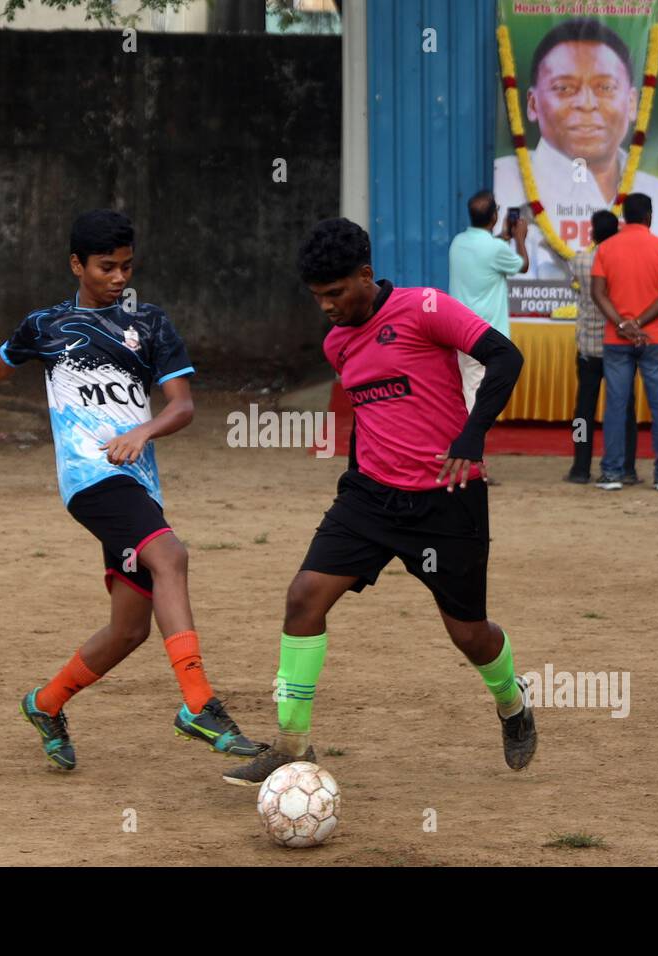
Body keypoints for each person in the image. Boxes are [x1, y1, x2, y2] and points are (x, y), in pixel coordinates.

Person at [0, 209, 261, 771]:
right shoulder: (46, 326)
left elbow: (183, 406)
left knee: (128, 629)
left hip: (136, 480)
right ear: (76, 264)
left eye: (126, 267)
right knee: (171, 556)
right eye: (105, 267)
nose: (119, 278)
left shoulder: (150, 324)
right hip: (89, 478)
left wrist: (143, 430)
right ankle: (199, 705)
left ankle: (45, 704)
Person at [222, 218, 536, 787]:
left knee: (469, 633)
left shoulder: (426, 309)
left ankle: (512, 704)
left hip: (448, 498)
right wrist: (352, 481)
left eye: (336, 293)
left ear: (366, 275)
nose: (328, 308)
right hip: (369, 498)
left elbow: (505, 357)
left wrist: (471, 436)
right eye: (318, 298)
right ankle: (292, 746)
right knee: (302, 600)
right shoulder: (337, 343)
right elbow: (369, 416)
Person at [494, 18, 658, 280]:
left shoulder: (655, 193)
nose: (586, 104)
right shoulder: (505, 185)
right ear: (532, 104)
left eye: (605, 87)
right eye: (564, 88)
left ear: (632, 103)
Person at [590, 193, 658, 491]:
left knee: (616, 405)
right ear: (650, 216)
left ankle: (613, 473)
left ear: (623, 217)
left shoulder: (605, 249)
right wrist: (640, 324)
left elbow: (597, 293)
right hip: (654, 338)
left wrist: (623, 324)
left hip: (616, 339)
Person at [565, 209, 637, 484]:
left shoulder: (581, 260)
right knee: (624, 408)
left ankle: (580, 468)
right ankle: (628, 468)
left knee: (583, 411)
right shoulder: (624, 261)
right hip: (618, 345)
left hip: (588, 347)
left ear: (592, 232)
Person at [448, 189, 528, 412]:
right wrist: (520, 239)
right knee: (476, 395)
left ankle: (466, 440)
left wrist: (503, 237)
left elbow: (485, 251)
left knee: (469, 387)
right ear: (494, 217)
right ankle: (470, 443)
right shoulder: (495, 248)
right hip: (485, 333)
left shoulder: (458, 242)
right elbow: (523, 265)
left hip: (460, 329)